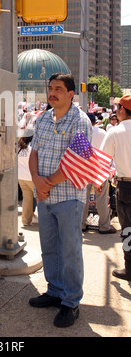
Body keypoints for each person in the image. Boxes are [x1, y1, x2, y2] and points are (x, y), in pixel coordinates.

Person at [28, 73, 92, 328]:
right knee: (50, 248)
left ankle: (71, 301)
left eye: (58, 89)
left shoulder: (81, 121)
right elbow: (33, 153)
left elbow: (80, 160)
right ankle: (54, 291)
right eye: (50, 88)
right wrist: (36, 179)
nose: (52, 93)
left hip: (69, 197)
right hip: (44, 196)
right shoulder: (43, 118)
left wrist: (46, 183)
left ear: (71, 94)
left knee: (70, 250)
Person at [100, 95, 131, 281]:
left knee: (128, 229)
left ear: (122, 109)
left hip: (126, 186)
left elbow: (102, 161)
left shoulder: (115, 132)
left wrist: (98, 182)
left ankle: (130, 268)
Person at [81, 113, 116, 234]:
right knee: (102, 198)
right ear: (95, 122)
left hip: (84, 169)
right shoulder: (102, 133)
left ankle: (82, 224)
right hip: (99, 168)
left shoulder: (81, 132)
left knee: (83, 198)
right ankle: (104, 225)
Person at [18, 132, 37, 226]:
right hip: (31, 177)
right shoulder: (32, 147)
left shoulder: (19, 147)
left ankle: (25, 221)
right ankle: (44, 221)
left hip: (21, 177)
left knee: (26, 199)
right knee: (40, 199)